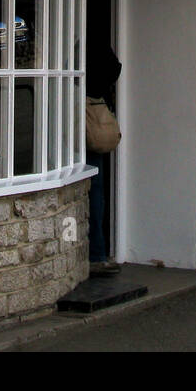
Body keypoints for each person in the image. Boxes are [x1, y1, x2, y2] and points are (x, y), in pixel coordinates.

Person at [86, 44, 121, 277]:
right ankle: (95, 254)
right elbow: (114, 67)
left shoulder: (82, 45)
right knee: (95, 190)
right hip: (91, 116)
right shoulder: (94, 44)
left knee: (94, 189)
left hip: (82, 116)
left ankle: (95, 254)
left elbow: (112, 67)